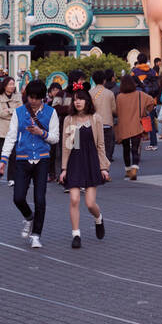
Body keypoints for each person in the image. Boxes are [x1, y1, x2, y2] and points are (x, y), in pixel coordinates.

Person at [0, 80, 59, 248]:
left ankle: (36, 235)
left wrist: (42, 133)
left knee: (40, 199)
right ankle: (28, 217)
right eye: (30, 97)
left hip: (42, 159)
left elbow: (55, 138)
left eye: (36, 98)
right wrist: (3, 160)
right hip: (23, 159)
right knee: (18, 197)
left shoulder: (51, 113)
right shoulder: (19, 112)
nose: (33, 101)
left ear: (42, 98)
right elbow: (11, 137)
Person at [60, 89, 110, 248]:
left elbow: (100, 145)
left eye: (81, 99)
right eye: (75, 99)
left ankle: (98, 218)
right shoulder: (69, 120)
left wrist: (103, 167)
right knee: (74, 199)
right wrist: (64, 169)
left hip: (91, 162)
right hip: (74, 161)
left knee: (90, 203)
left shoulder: (95, 119)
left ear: (87, 101)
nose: (78, 102)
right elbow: (67, 146)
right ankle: (76, 234)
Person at [114, 73, 153, 180]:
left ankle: (127, 170)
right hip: (137, 125)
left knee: (126, 148)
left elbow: (116, 111)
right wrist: (145, 112)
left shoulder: (119, 97)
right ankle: (134, 168)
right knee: (135, 149)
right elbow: (151, 102)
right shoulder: (140, 94)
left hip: (124, 126)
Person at [0, 76, 19, 184]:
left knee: (13, 154)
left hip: (14, 129)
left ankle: (11, 177)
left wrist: (8, 110)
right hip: (0, 129)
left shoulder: (18, 97)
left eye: (13, 84)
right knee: (0, 154)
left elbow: (20, 111)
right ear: (4, 86)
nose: (12, 86)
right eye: (10, 84)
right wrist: (12, 112)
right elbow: (0, 113)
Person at [90, 69, 118, 160]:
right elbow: (114, 110)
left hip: (93, 124)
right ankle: (105, 167)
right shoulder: (109, 93)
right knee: (106, 147)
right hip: (107, 123)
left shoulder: (90, 93)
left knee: (96, 146)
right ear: (104, 80)